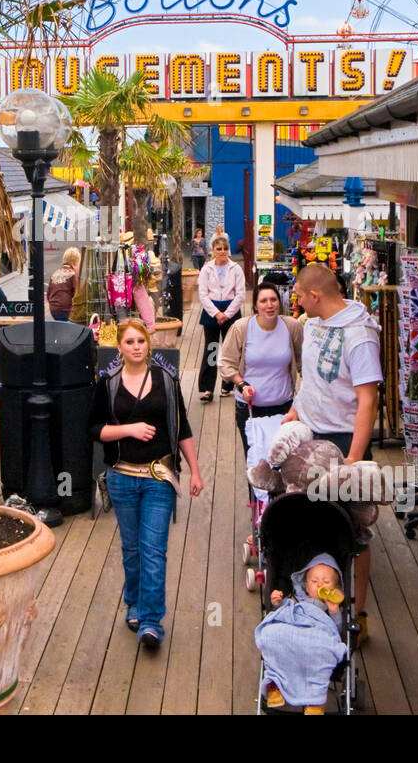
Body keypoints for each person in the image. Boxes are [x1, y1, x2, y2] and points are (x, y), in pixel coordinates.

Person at [281, 262, 382, 640]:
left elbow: (367, 400)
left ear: (316, 296)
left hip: (343, 439)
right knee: (309, 520)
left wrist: (354, 458)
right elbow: (309, 378)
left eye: (300, 296)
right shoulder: (313, 325)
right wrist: (295, 409)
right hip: (309, 434)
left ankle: (357, 616)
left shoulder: (360, 336)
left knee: (352, 527)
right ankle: (313, 602)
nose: (297, 301)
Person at [88, 319, 203, 649]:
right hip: (122, 476)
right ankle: (134, 604)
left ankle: (151, 621)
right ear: (120, 348)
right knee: (132, 549)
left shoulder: (166, 380)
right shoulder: (108, 383)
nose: (136, 347)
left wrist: (194, 470)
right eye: (130, 342)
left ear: (148, 345)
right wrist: (129, 429)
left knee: (153, 550)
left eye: (141, 341)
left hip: (158, 477)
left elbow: (181, 427)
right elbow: (93, 429)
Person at [218, 281, 303, 466]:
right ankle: (255, 497)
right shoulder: (242, 328)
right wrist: (241, 384)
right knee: (257, 463)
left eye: (273, 299)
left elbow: (303, 363)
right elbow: (226, 363)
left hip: (284, 409)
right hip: (250, 409)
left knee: (285, 463)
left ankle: (283, 497)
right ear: (255, 305)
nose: (269, 305)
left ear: (280, 302)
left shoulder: (292, 327)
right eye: (263, 301)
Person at [255, 554, 347, 713]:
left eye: (326, 582)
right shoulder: (297, 600)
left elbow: (336, 631)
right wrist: (277, 603)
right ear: (305, 584)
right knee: (271, 634)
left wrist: (334, 611)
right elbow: (284, 614)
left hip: (316, 636)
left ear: (336, 588)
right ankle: (275, 685)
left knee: (325, 648)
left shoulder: (332, 607)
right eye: (314, 581)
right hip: (293, 630)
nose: (319, 585)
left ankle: (315, 701)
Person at [196, 235, 246, 402]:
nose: (222, 252)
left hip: (231, 310)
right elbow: (203, 294)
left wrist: (227, 314)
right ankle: (208, 388)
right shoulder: (206, 269)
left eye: (225, 248)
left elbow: (240, 294)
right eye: (219, 249)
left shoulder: (236, 269)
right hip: (212, 311)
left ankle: (228, 385)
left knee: (231, 351)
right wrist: (216, 313)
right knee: (212, 350)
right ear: (213, 251)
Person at [47, 247, 81, 322]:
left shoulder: (55, 273)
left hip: (53, 310)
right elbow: (77, 294)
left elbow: (48, 294)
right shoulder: (73, 274)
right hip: (66, 310)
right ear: (75, 263)